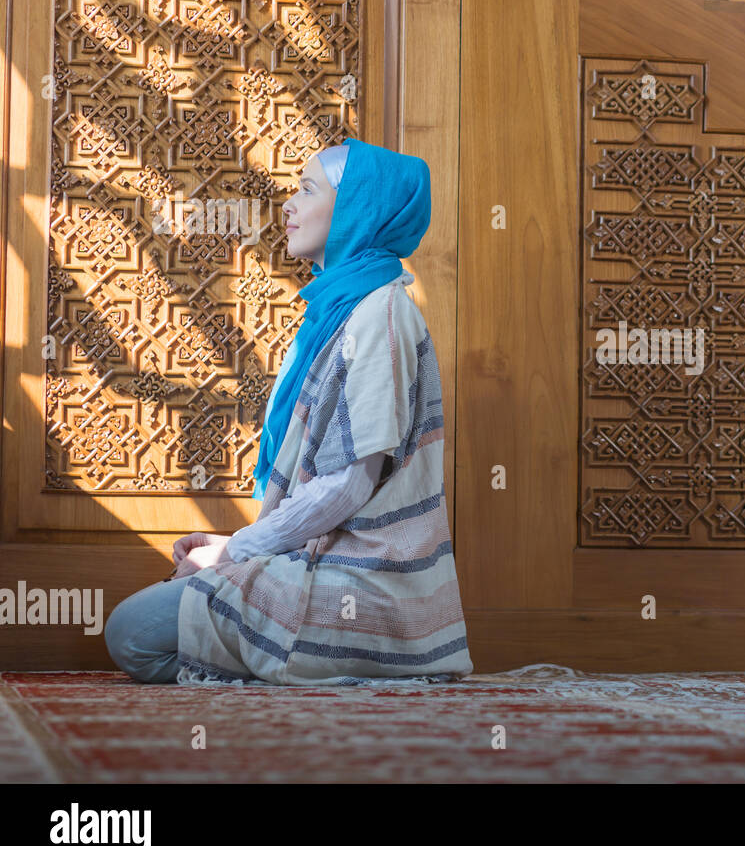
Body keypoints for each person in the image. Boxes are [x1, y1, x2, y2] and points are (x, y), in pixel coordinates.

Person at [104, 138, 473, 685]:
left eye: (306, 190)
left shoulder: (380, 313)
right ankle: (299, 659)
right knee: (146, 624)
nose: (288, 206)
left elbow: (350, 484)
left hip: (367, 577)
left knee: (131, 634)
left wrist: (236, 555)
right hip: (325, 560)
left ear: (356, 208)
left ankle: (353, 659)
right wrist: (234, 549)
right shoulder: (346, 306)